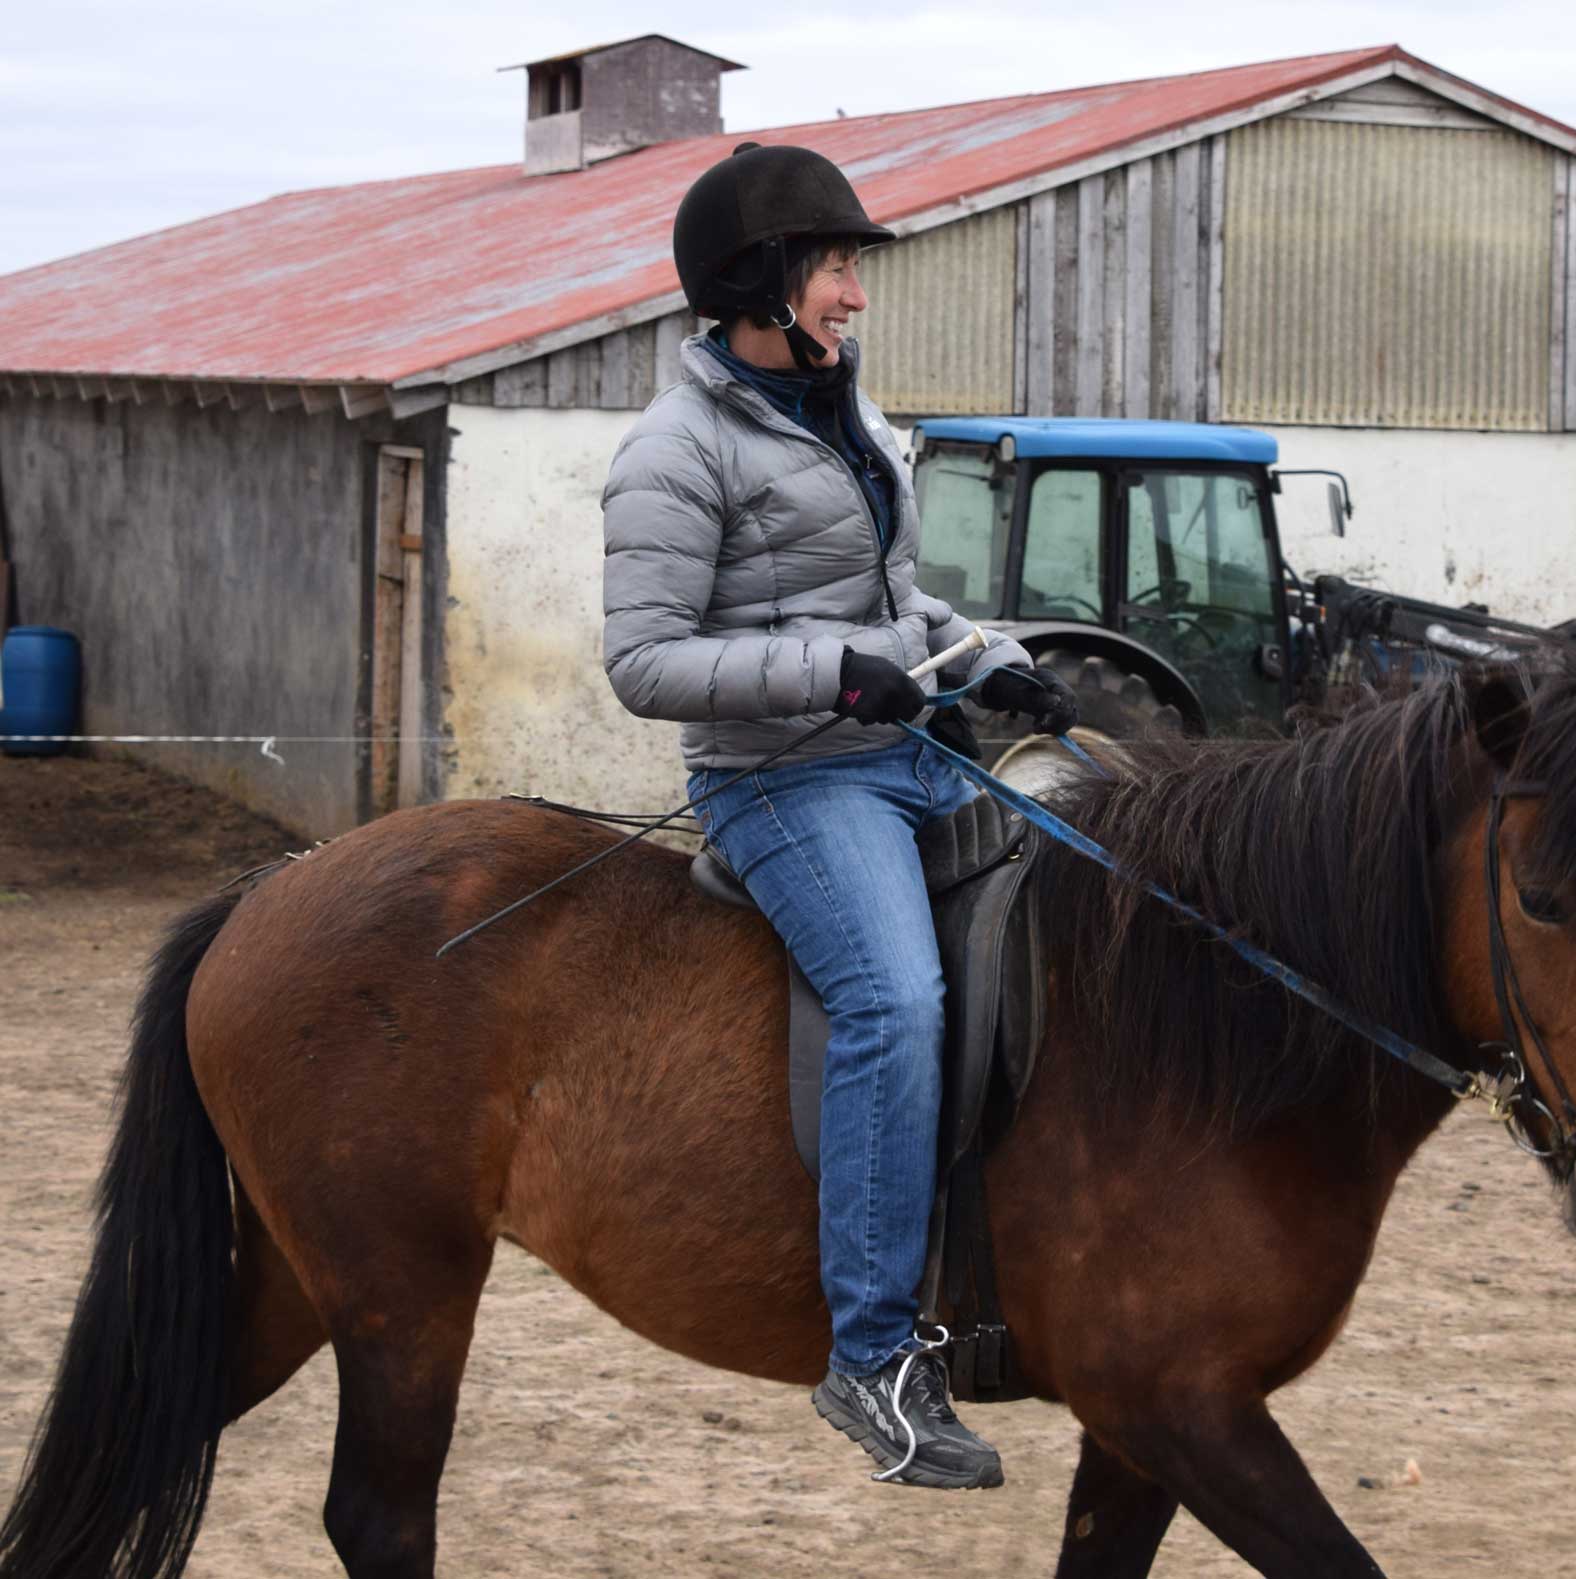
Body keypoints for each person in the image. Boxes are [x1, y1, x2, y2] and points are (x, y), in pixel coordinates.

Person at [600, 143, 1077, 1489]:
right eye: (835, 267)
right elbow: (644, 663)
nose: (856, 294)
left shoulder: (845, 411)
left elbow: (891, 602)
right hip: (783, 780)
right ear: (761, 281)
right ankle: (872, 1358)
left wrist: (991, 656)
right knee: (895, 1000)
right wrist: (833, 671)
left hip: (905, 747)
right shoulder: (675, 449)